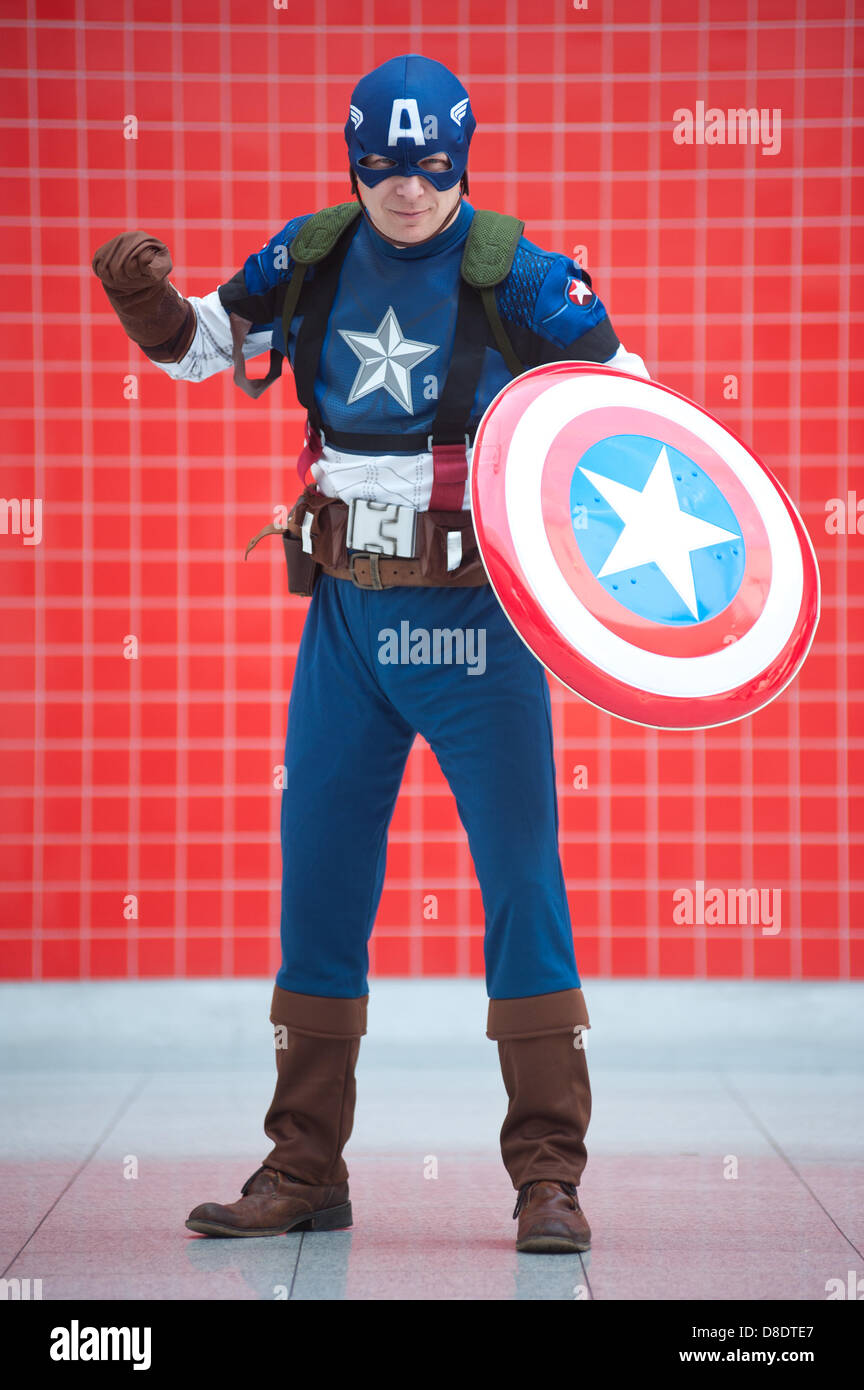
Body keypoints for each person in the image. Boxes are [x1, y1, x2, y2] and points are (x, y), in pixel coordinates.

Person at [92, 53, 649, 1254]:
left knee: (522, 889)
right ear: (357, 157)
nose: (409, 188)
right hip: (345, 616)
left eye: (433, 166)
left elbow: (628, 410)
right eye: (387, 165)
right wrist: (152, 305)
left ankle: (548, 1175)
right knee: (321, 882)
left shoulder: (524, 278)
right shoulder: (314, 253)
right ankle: (304, 1167)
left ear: (465, 157)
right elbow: (206, 347)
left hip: (476, 626)